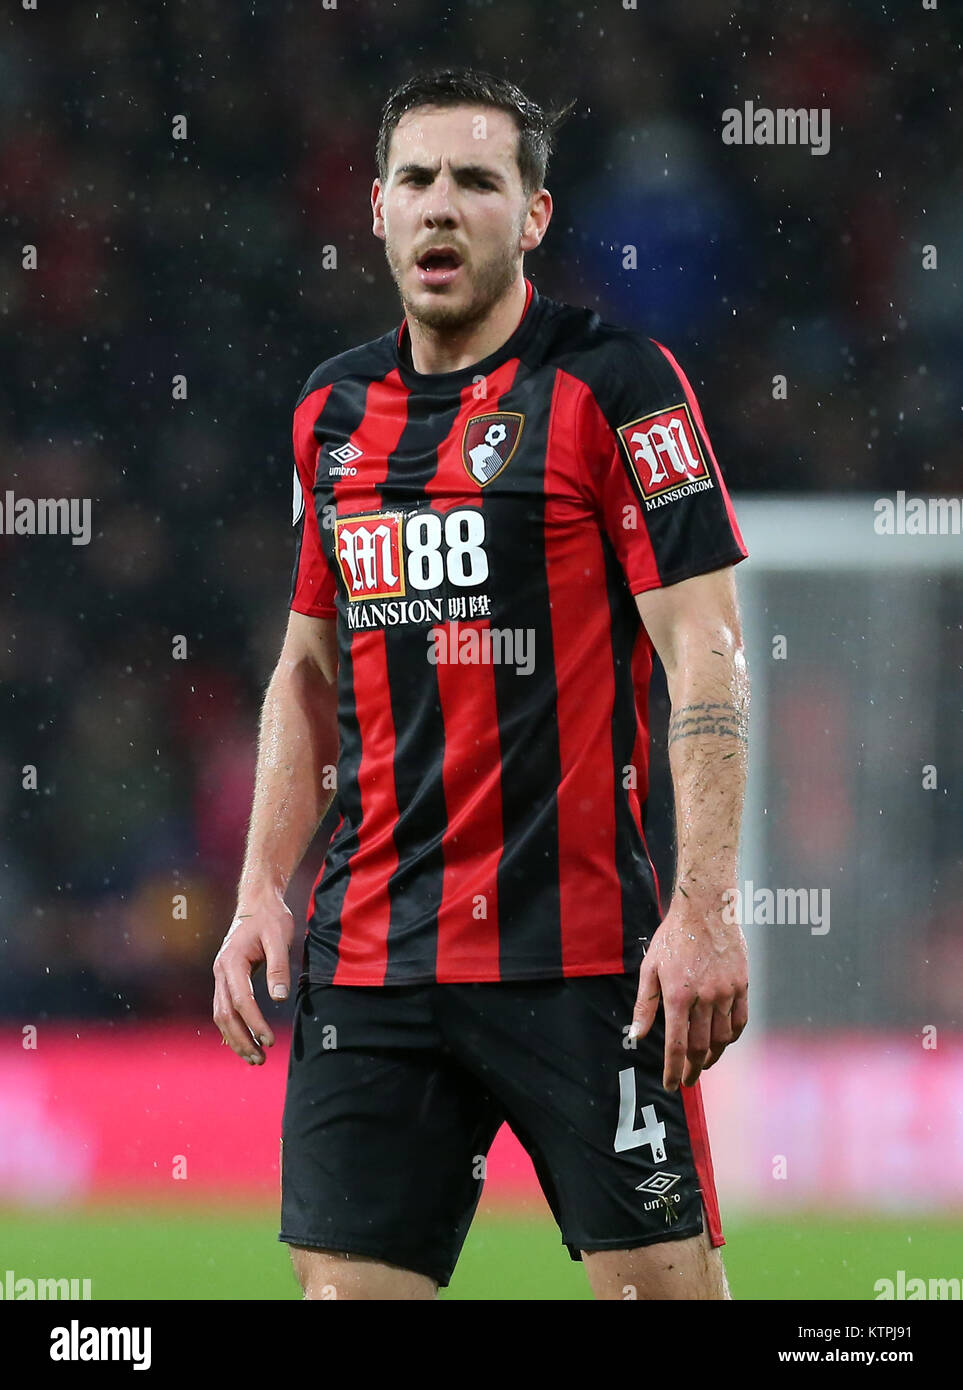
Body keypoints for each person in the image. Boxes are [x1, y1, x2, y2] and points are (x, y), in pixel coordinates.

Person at [212, 67, 750, 1301]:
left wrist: (707, 906)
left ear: (536, 214)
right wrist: (258, 891)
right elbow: (306, 670)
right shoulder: (330, 413)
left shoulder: (618, 387)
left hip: (581, 963)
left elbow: (705, 659)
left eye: (476, 181)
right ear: (375, 208)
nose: (441, 207)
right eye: (416, 180)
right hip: (374, 959)